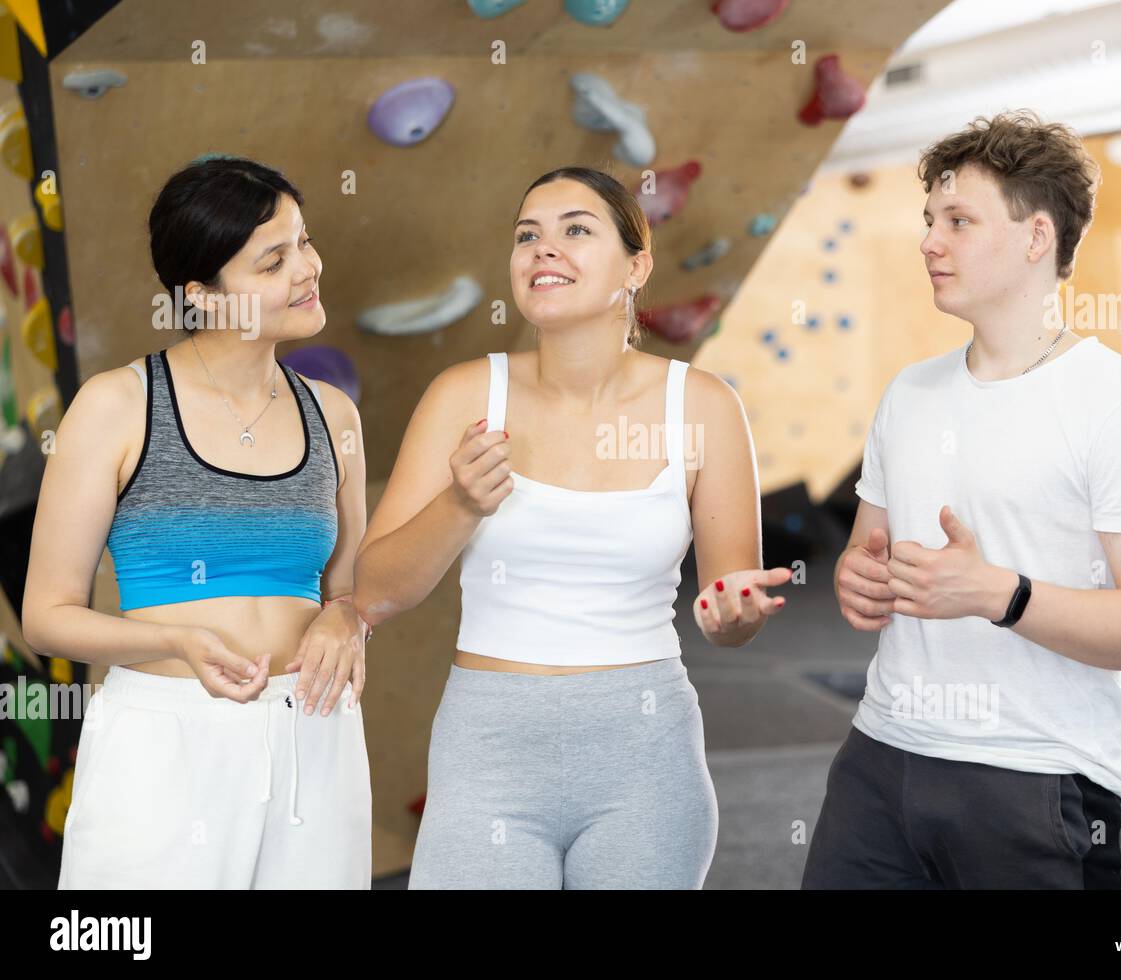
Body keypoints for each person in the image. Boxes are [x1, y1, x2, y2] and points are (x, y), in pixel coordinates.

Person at [354, 166, 790, 889]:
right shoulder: (464, 394)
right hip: (488, 749)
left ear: (636, 265)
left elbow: (727, 602)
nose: (543, 249)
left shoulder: (703, 405)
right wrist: (460, 504)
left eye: (576, 231)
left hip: (644, 758)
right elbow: (375, 592)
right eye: (528, 235)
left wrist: (735, 615)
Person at [802, 111, 1121, 889]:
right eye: (929, 220)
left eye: (958, 220)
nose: (928, 241)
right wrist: (859, 576)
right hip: (880, 761)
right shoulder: (909, 393)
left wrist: (1001, 595)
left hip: (1039, 780)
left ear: (1036, 238)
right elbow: (867, 551)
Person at [23, 156, 373, 889]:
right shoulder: (116, 406)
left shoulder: (333, 414)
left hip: (315, 730)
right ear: (203, 296)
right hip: (162, 738)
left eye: (304, 242)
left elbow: (346, 590)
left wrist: (348, 618)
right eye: (273, 260)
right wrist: (172, 638)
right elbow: (47, 617)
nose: (308, 268)